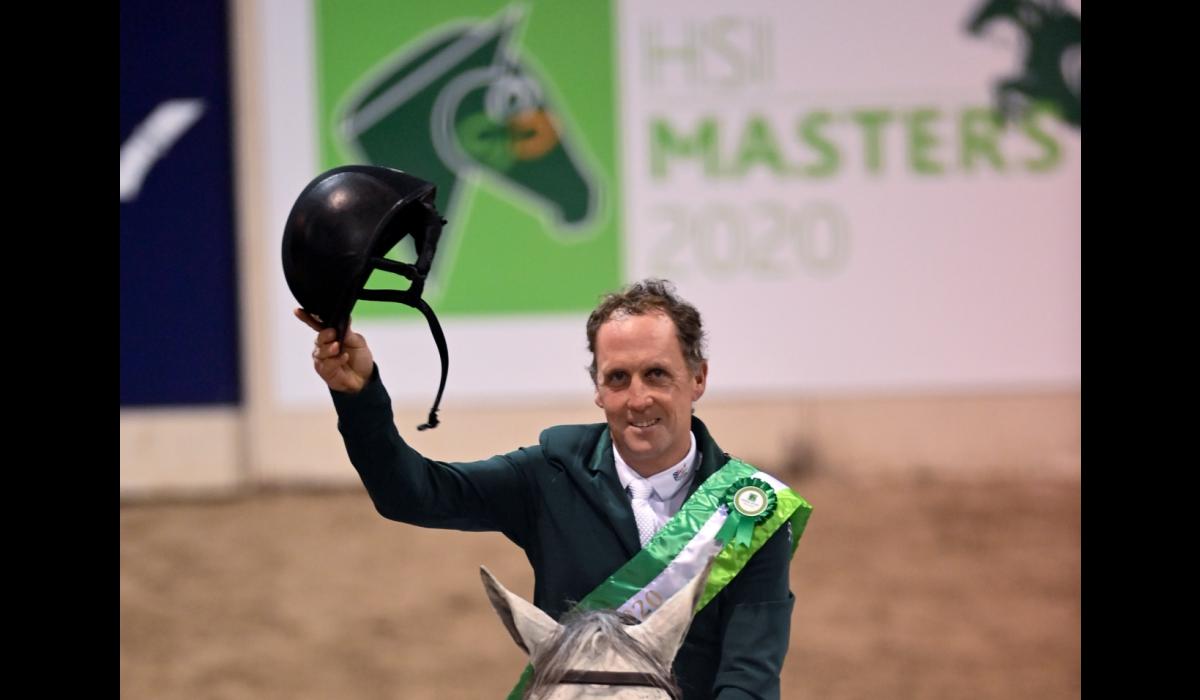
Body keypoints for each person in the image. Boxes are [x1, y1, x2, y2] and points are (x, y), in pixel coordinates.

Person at [296, 278, 796, 699]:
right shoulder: (550, 475)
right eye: (618, 378)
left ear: (698, 378)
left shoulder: (749, 509)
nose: (637, 398)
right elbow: (414, 493)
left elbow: (748, 679)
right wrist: (358, 396)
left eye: (657, 374)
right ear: (597, 388)